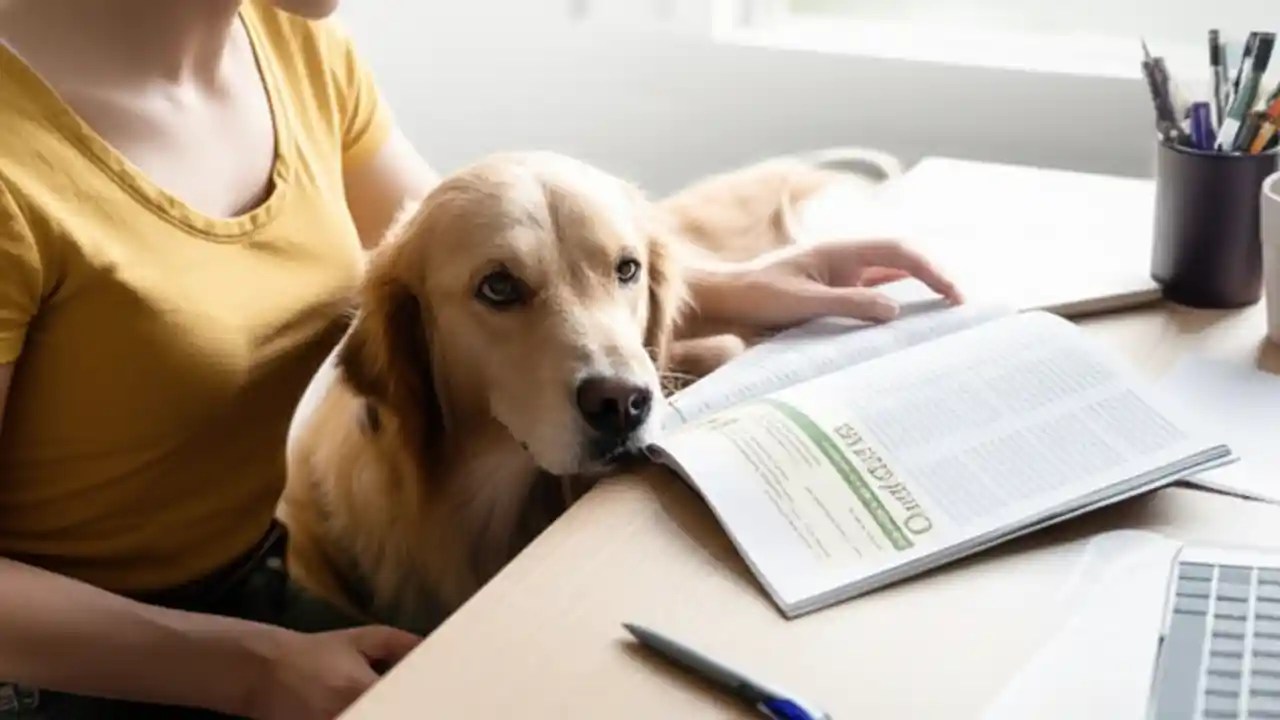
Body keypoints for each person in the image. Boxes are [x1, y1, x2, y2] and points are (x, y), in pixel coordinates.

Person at [0, 1, 962, 718]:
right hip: (58, 672)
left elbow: (464, 261)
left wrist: (745, 281)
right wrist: (249, 668)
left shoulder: (294, 45)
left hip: (244, 587)